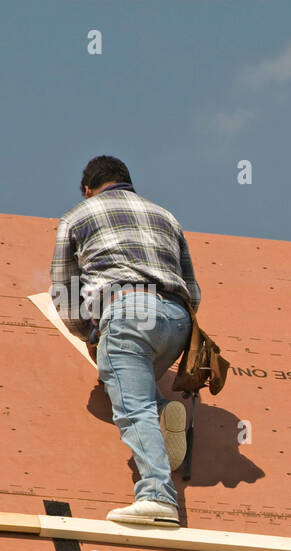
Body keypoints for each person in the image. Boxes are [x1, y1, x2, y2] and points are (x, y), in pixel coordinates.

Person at [50, 156, 200, 525]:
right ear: (126, 182)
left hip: (128, 310)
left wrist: (90, 333)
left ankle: (157, 498)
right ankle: (164, 411)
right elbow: (193, 289)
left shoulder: (77, 216)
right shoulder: (166, 216)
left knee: (131, 408)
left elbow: (65, 292)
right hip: (177, 320)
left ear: (88, 189)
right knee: (140, 393)